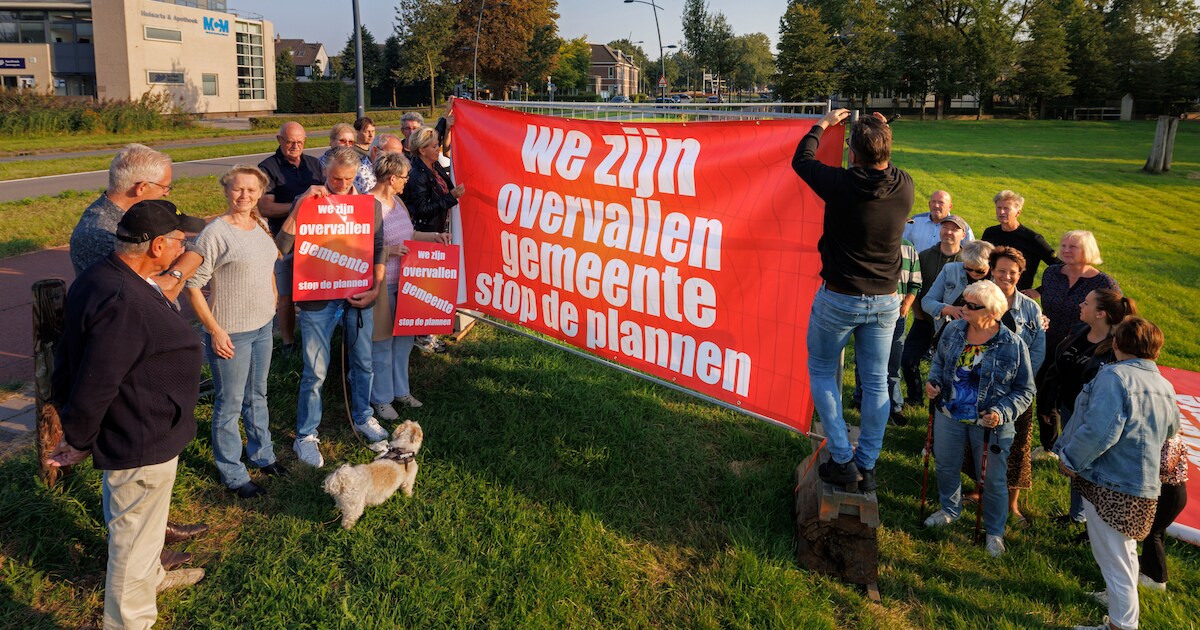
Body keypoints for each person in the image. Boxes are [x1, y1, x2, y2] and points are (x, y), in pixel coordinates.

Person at [48, 200, 209, 627]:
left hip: (146, 426)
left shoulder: (105, 275)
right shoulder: (123, 300)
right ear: (157, 246)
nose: (183, 245)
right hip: (140, 435)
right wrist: (79, 439)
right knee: (133, 538)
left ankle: (152, 576)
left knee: (142, 524)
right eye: (179, 240)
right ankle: (128, 620)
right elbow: (98, 379)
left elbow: (70, 354)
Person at [66, 143, 208, 562]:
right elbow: (155, 292)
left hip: (143, 368)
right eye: (165, 188)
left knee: (147, 482)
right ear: (141, 187)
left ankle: (154, 533)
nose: (168, 196)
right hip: (132, 382)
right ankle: (142, 555)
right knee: (134, 482)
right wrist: (188, 262)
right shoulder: (101, 235)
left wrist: (179, 259)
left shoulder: (130, 221)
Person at [791, 108, 913, 491]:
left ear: (852, 154)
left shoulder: (840, 184)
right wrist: (879, 129)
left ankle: (842, 459)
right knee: (876, 384)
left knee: (823, 371)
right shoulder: (904, 186)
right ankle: (868, 465)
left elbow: (802, 159)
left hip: (839, 299)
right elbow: (884, 160)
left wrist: (823, 123)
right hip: (885, 302)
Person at [1055, 317, 1179, 630]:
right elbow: (1172, 432)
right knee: (1122, 555)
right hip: (1145, 484)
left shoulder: (1115, 377)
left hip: (1111, 483)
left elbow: (1101, 430)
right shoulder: (1165, 385)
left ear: (1116, 344)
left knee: (1115, 558)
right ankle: (1119, 606)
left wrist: (1070, 458)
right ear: (1157, 351)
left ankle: (1122, 625)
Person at [274, 147, 387, 467]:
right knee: (315, 369)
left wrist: (376, 288)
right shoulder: (309, 201)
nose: (341, 183)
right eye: (336, 177)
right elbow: (281, 249)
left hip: (358, 295)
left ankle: (363, 416)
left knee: (363, 363)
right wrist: (298, 208)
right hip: (317, 298)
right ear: (325, 172)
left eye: (348, 178)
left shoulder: (369, 206)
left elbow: (379, 249)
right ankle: (306, 435)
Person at [183, 166, 287, 499]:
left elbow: (270, 265)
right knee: (229, 404)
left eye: (252, 191)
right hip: (231, 333)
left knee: (257, 395)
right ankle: (233, 473)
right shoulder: (214, 233)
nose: (245, 196)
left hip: (261, 326)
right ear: (227, 191)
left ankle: (263, 454)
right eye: (238, 189)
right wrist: (214, 330)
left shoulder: (260, 224)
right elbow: (193, 284)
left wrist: (272, 298)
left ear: (261, 192)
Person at [922, 280, 1035, 558]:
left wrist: (1001, 413)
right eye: (965, 302)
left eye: (973, 305)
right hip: (949, 412)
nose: (965, 308)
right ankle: (950, 510)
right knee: (946, 465)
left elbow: (1026, 389)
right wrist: (933, 382)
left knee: (994, 480)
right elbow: (938, 362)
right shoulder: (953, 329)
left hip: (990, 424)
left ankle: (995, 532)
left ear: (993, 312)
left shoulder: (1013, 344)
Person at [1041, 289, 1137, 524]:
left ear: (1100, 314)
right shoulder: (1079, 331)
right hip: (1069, 409)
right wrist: (1047, 402)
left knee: (1095, 467)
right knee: (1076, 464)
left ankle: (1093, 521)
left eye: (1086, 303)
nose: (1081, 306)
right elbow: (1057, 368)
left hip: (1097, 416)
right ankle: (1078, 515)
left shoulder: (1118, 349)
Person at [368, 153, 451, 421]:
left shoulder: (398, 202)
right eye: (404, 177)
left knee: (403, 341)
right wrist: (389, 251)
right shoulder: (368, 205)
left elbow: (410, 235)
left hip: (406, 283)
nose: (407, 181)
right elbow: (358, 248)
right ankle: (381, 399)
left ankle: (401, 391)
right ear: (392, 178)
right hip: (381, 285)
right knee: (381, 344)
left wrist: (434, 237)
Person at [1033, 231, 1121, 460]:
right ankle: (1049, 446)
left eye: (1073, 246)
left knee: (1075, 400)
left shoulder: (1103, 282)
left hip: (1085, 350)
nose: (1066, 250)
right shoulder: (1052, 273)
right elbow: (1047, 300)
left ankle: (1079, 450)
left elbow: (1116, 316)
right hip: (1049, 343)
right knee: (1045, 395)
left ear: (1088, 251)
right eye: (1063, 245)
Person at [987, 247, 1047, 526]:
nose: (1006, 276)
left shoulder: (1031, 308)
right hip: (982, 386)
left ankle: (1012, 504)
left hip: (1019, 392)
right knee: (980, 443)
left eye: (1012, 272)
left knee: (1018, 447)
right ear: (992, 270)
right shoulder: (979, 298)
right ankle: (979, 490)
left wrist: (1021, 382)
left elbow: (1037, 349)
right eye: (1001, 270)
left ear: (1020, 274)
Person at [257, 122, 324, 353]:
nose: (294, 146)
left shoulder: (314, 164)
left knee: (313, 290)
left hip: (315, 239)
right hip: (284, 239)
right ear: (279, 139)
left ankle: (313, 337)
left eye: (299, 142)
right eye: (289, 141)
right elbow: (265, 208)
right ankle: (288, 342)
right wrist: (300, 204)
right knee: (286, 295)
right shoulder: (267, 168)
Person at [403, 126, 465, 355]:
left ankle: (430, 332)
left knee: (435, 286)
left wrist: (447, 119)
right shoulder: (418, 175)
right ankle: (424, 336)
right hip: (426, 235)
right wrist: (451, 198)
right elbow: (422, 210)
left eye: (437, 143)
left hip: (438, 232)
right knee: (426, 287)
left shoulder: (433, 164)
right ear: (421, 150)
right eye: (433, 146)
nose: (438, 147)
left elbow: (436, 132)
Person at [853, 237, 921, 426]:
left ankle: (894, 406)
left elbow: (916, 283)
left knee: (893, 362)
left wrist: (906, 304)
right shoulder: (867, 243)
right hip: (868, 313)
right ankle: (860, 399)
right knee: (863, 359)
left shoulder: (908, 247)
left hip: (897, 315)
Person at [901, 215, 967, 406]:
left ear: (963, 234)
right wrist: (918, 313)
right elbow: (914, 285)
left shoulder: (966, 261)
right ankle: (914, 398)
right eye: (945, 227)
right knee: (908, 360)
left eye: (954, 229)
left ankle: (943, 402)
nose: (948, 232)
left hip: (953, 324)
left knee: (949, 366)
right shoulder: (924, 256)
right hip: (925, 319)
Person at [980, 190, 1060, 292]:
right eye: (999, 208)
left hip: (1018, 296)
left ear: (1018, 212)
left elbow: (1059, 266)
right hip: (990, 293)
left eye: (1006, 208)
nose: (1001, 212)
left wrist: (1039, 291)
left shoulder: (1033, 239)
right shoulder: (990, 233)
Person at [1140, 432, 1188, 592]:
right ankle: (1149, 568)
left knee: (1152, 532)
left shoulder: (1171, 438)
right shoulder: (1167, 434)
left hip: (1171, 492)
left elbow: (1165, 465)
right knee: (1156, 532)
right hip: (1167, 490)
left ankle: (1156, 579)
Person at [921, 239, 995, 337]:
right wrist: (947, 309)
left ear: (990, 264)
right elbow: (927, 301)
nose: (973, 273)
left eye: (980, 271)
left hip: (983, 334)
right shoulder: (950, 270)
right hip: (948, 332)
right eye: (968, 268)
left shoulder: (997, 278)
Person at [903, 190, 975, 252]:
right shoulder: (915, 222)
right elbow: (903, 245)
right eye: (933, 202)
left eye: (941, 202)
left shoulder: (961, 227)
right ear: (929, 204)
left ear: (950, 207)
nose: (936, 205)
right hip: (918, 266)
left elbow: (971, 252)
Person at [321, 123, 376, 194]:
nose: (347, 145)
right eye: (342, 141)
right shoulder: (318, 164)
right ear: (331, 141)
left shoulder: (360, 164)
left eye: (351, 142)